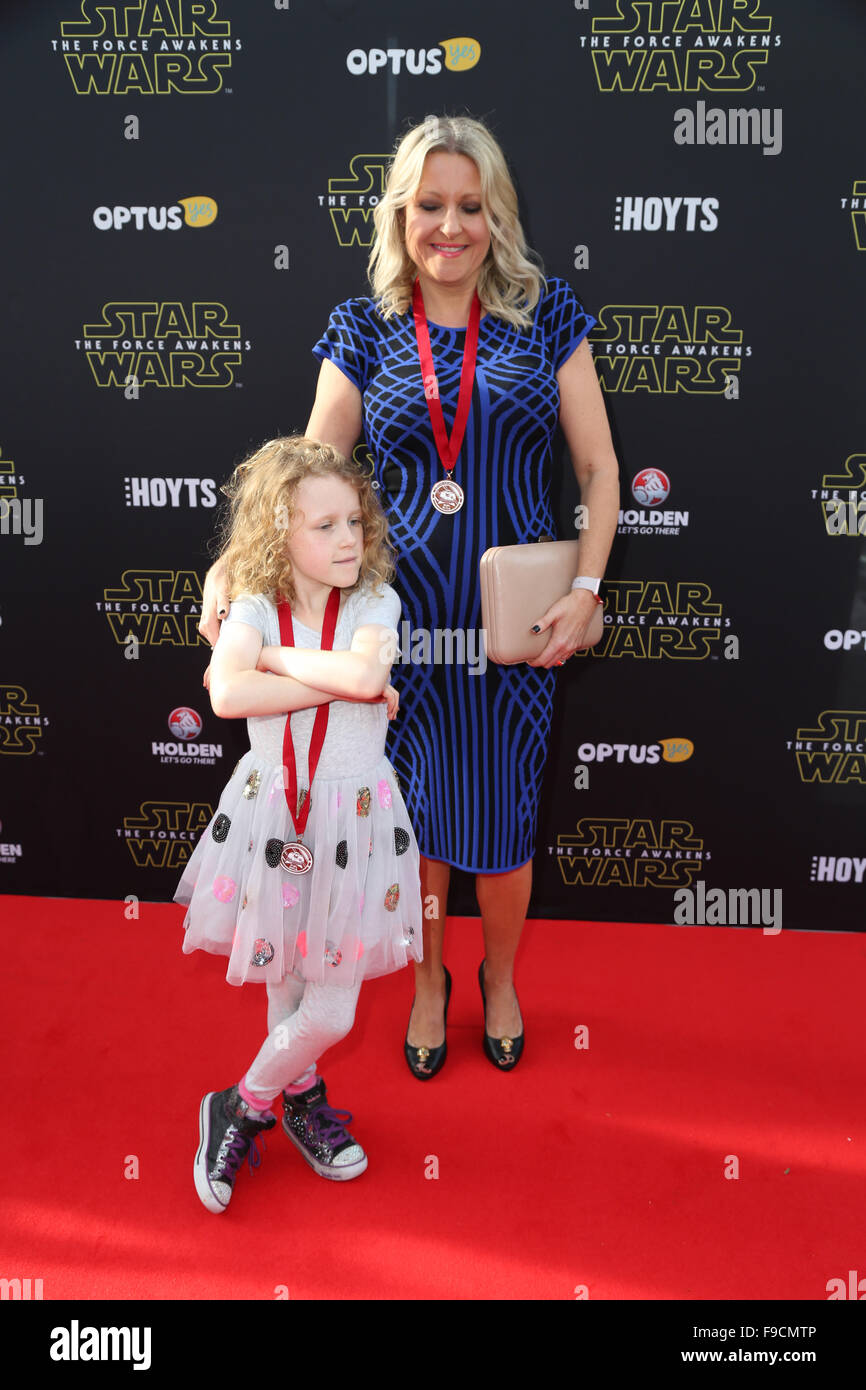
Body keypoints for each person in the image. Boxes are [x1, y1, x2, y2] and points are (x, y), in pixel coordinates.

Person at [200, 114, 619, 1080]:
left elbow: (599, 471)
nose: (451, 226)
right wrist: (234, 564)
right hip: (394, 633)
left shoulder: (547, 312)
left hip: (512, 634)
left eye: (472, 206)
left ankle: (499, 979)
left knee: (506, 828)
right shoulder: (363, 328)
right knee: (417, 825)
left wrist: (590, 587)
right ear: (401, 214)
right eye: (431, 204)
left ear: (496, 214)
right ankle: (428, 979)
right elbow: (309, 475)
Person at [178, 436, 422, 1213]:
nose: (348, 539)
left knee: (333, 1006)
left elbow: (362, 675)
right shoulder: (251, 600)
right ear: (278, 531)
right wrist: (305, 675)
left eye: (354, 520)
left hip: (351, 819)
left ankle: (243, 1103)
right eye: (324, 526)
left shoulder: (375, 600)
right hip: (272, 811)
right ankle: (302, 1095)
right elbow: (226, 698)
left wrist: (271, 662)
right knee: (283, 973)